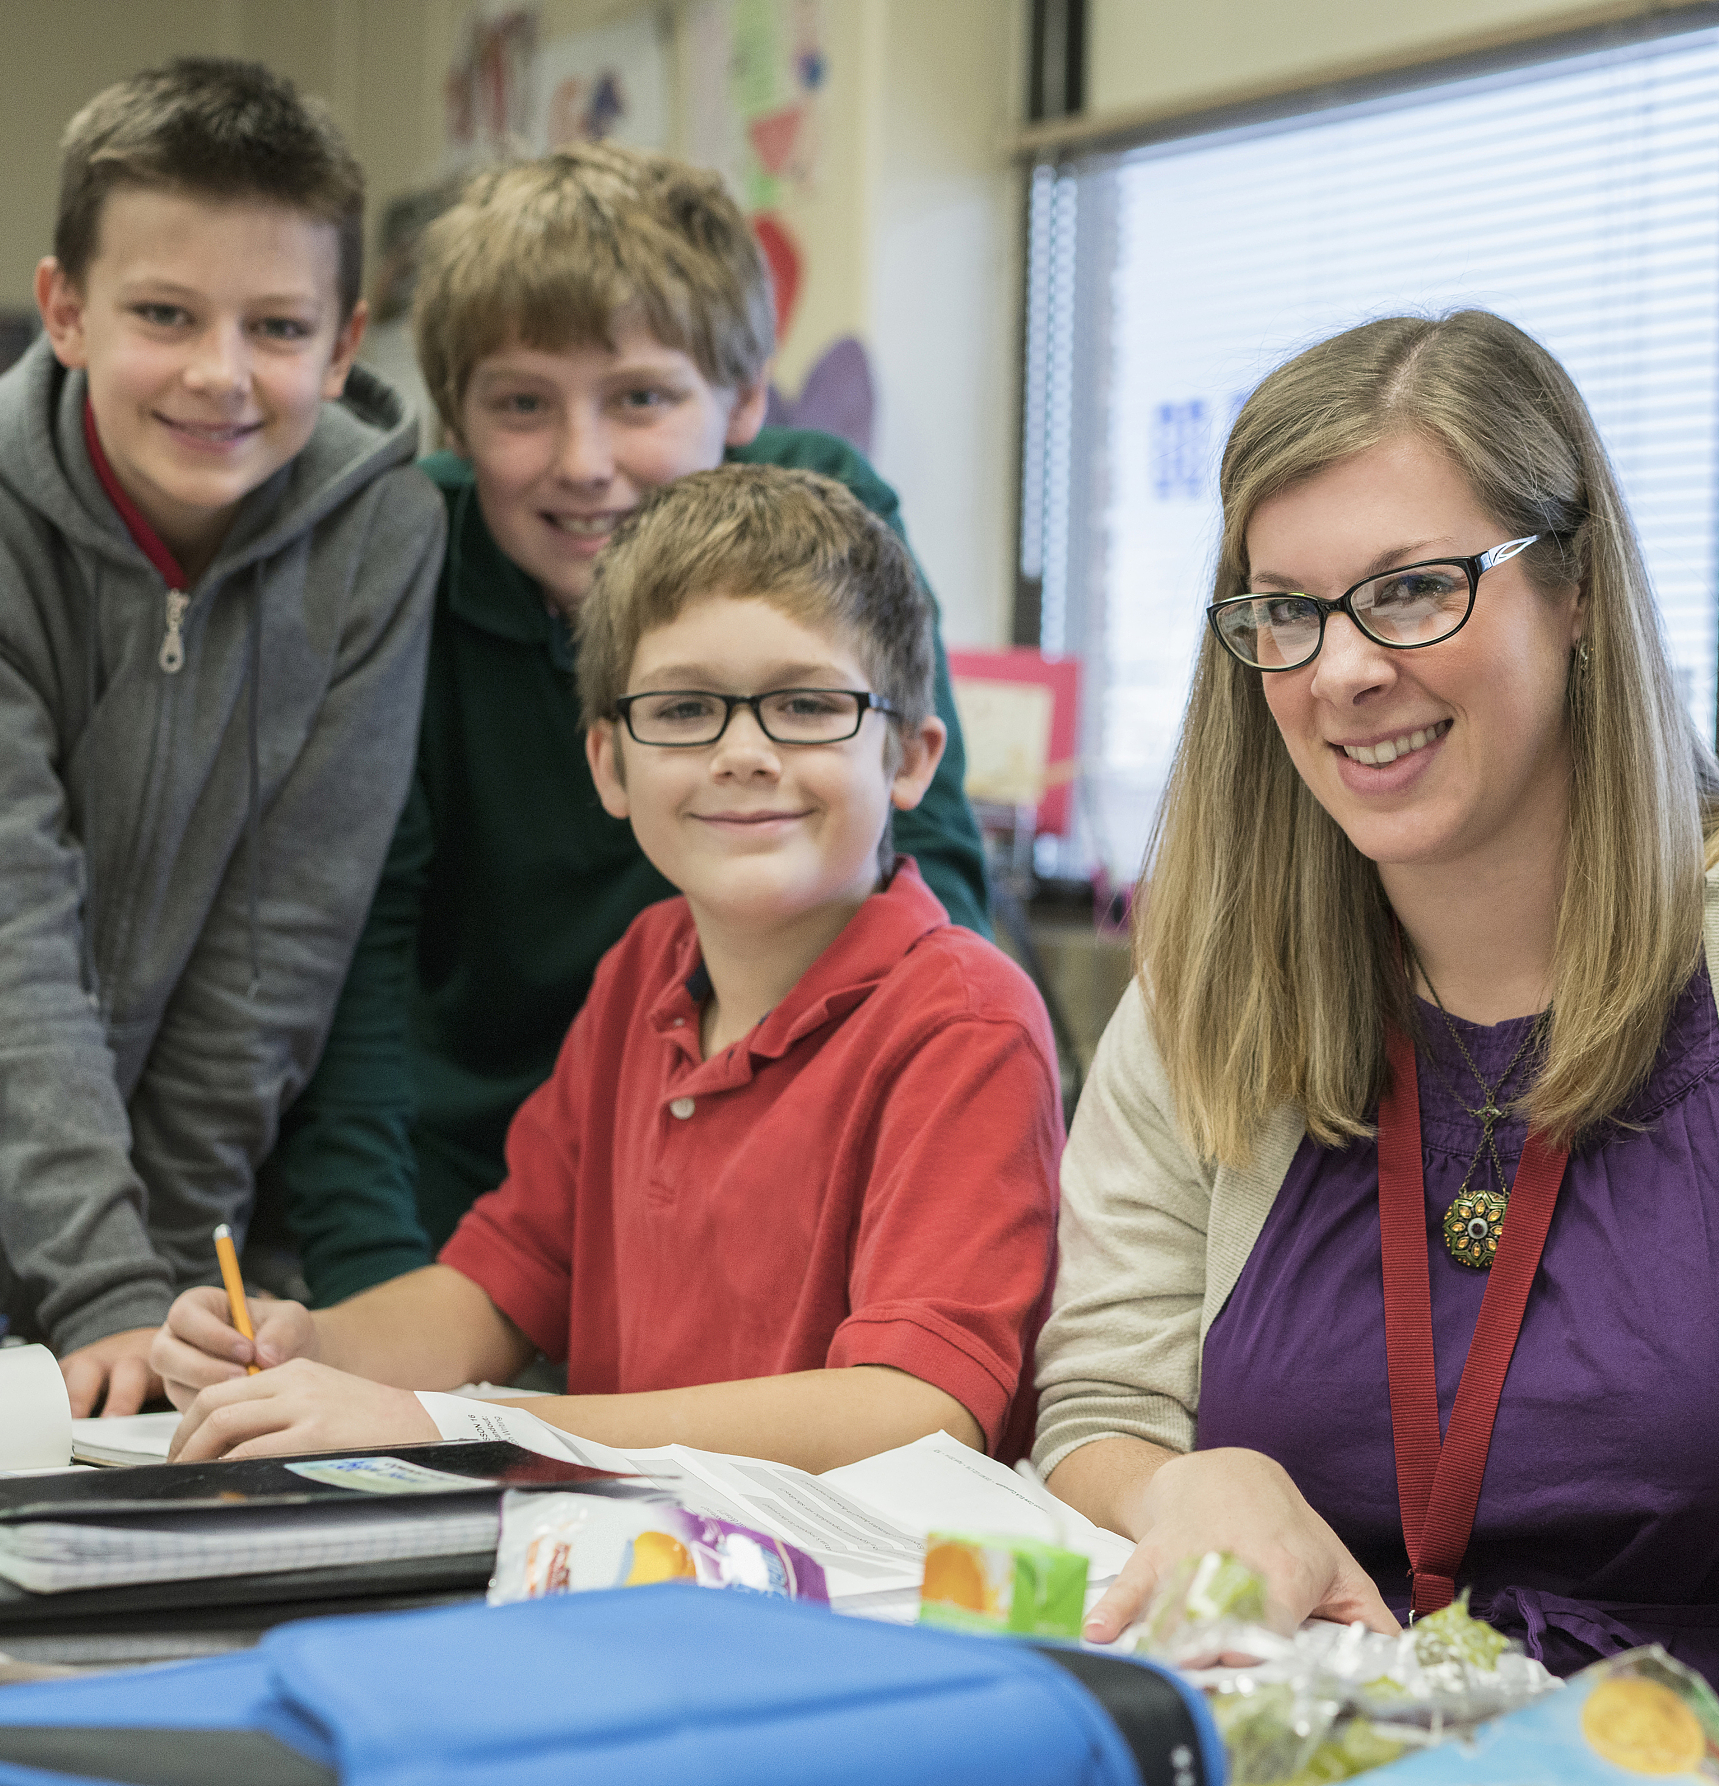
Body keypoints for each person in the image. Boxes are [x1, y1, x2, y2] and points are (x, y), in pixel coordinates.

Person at [0, 58, 444, 1417]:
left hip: (154, 1237)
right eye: (164, 314)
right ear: (64, 309)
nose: (219, 374)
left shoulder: (383, 537)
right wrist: (104, 1278)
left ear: (346, 342)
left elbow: (275, 949)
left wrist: (156, 1287)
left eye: (278, 327)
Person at [1034, 309, 1719, 1676]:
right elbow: (1100, 1406)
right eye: (1289, 609)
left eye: (1414, 588)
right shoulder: (1206, 995)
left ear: (1575, 588)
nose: (1345, 670)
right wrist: (1179, 1484)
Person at [154, 465, 1061, 1470]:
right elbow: (504, 1279)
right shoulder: (642, 970)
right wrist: (309, 1346)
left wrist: (463, 1423)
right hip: (626, 1568)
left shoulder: (962, 1019)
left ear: (910, 759)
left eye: (805, 705)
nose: (743, 752)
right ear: (606, 764)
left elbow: (914, 1412)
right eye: (681, 711)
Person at [266, 143, 992, 1310]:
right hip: (480, 1208)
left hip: (781, 1185)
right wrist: (367, 1304)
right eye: (520, 405)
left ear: (741, 402)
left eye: (640, 399)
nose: (585, 464)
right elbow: (354, 968)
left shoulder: (826, 522)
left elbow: (930, 868)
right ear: (454, 420)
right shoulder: (400, 558)